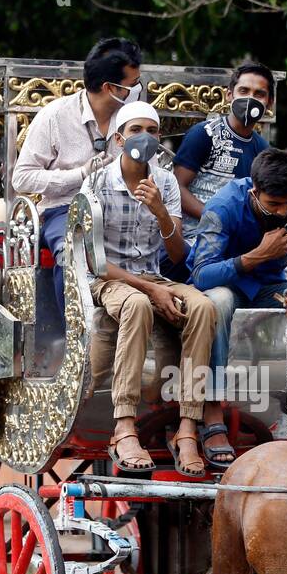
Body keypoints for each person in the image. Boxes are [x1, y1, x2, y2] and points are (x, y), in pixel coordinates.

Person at [82, 102, 216, 477]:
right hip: (107, 280)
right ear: (120, 138)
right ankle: (124, 425)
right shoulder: (96, 182)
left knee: (203, 307)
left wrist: (159, 210)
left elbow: (177, 253)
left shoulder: (167, 181)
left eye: (153, 131)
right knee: (139, 304)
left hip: (154, 275)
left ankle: (188, 427)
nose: (145, 137)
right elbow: (93, 260)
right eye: (136, 129)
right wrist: (149, 290)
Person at [187, 148, 287, 461]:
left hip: (270, 286)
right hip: (226, 284)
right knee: (217, 301)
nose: (283, 212)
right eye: (274, 204)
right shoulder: (224, 205)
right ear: (254, 192)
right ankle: (213, 417)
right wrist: (256, 256)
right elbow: (202, 275)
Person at [11, 37, 144, 315]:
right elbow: (21, 178)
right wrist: (79, 175)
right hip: (65, 210)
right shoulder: (55, 115)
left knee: (169, 251)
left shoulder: (134, 117)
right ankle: (74, 341)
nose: (137, 90)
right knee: (73, 253)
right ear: (111, 88)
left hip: (124, 206)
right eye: (133, 85)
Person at [173, 63, 275, 241]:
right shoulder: (205, 134)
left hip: (239, 238)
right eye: (244, 91)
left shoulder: (263, 150)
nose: (250, 99)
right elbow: (176, 187)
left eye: (259, 94)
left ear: (269, 102)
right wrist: (215, 218)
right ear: (229, 95)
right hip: (196, 236)